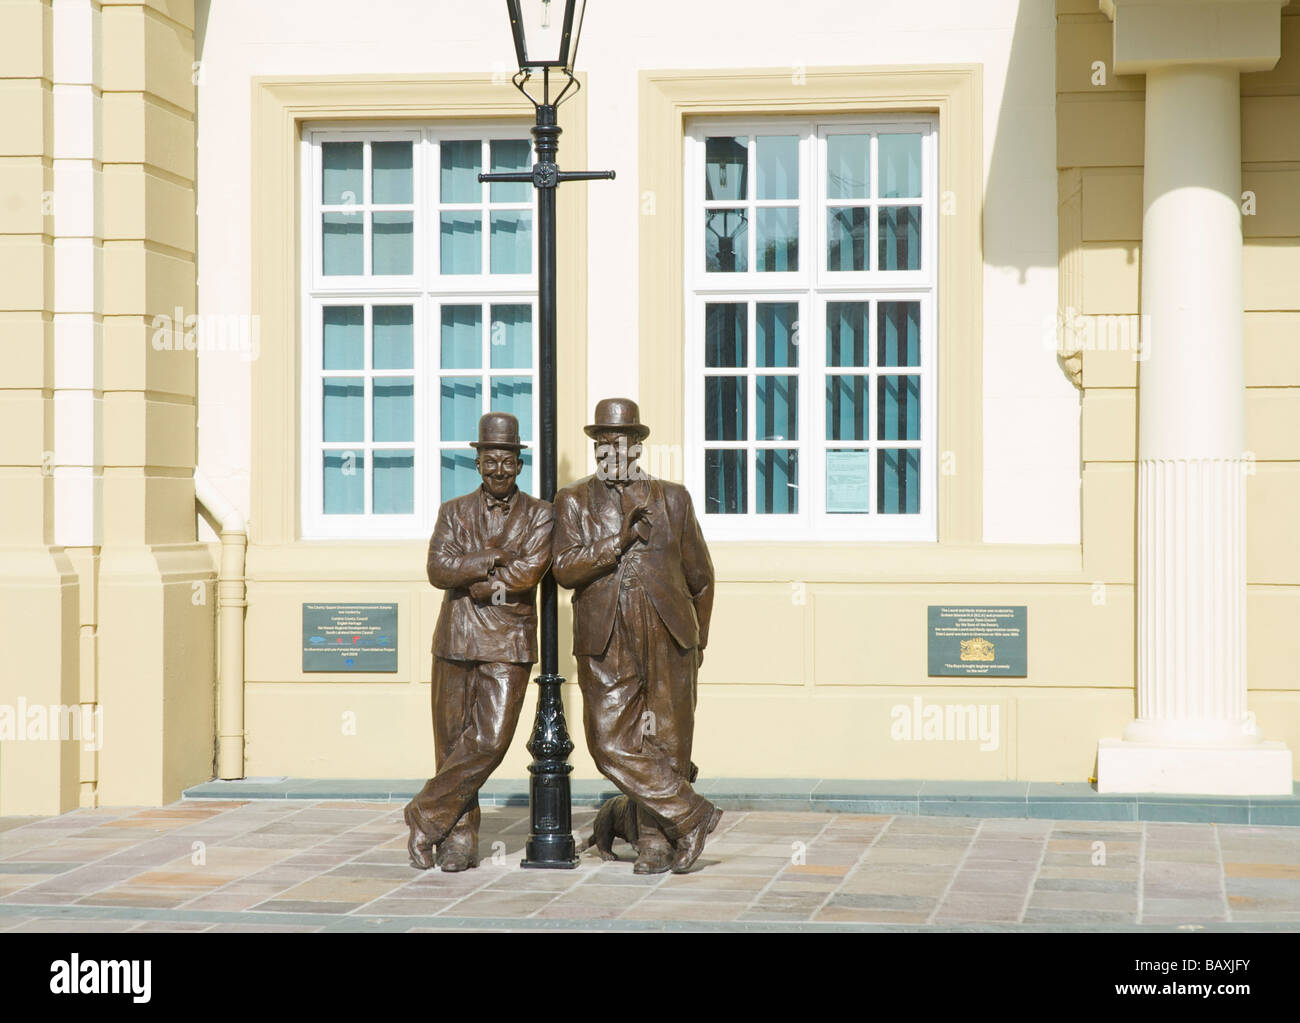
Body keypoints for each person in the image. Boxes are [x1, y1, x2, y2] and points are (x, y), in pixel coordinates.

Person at [552, 397, 722, 874]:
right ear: (595, 448)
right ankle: (692, 814)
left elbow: (700, 578)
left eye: (622, 443)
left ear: (639, 447)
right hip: (606, 639)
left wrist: (697, 641)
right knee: (610, 743)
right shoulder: (574, 501)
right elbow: (564, 568)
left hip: (669, 635)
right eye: (605, 444)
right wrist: (618, 542)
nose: (614, 452)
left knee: (667, 741)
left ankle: (654, 842)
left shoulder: (673, 498)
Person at [404, 412, 553, 871]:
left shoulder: (541, 514)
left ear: (519, 463)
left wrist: (482, 583)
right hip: (454, 640)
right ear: (478, 462)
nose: (498, 470)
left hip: (508, 644)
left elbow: (529, 573)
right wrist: (490, 558)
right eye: (490, 459)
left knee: (488, 741)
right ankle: (457, 838)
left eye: (507, 460)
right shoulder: (453, 512)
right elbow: (438, 570)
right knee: (451, 747)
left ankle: (424, 813)